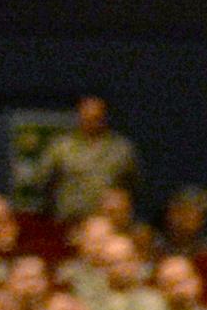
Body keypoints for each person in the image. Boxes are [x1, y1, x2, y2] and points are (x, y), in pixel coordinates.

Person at [34, 94, 137, 224]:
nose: (91, 120)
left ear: (105, 116)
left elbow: (132, 186)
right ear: (79, 115)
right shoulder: (61, 146)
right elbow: (41, 181)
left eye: (96, 117)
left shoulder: (122, 149)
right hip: (69, 219)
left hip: (108, 222)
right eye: (87, 115)